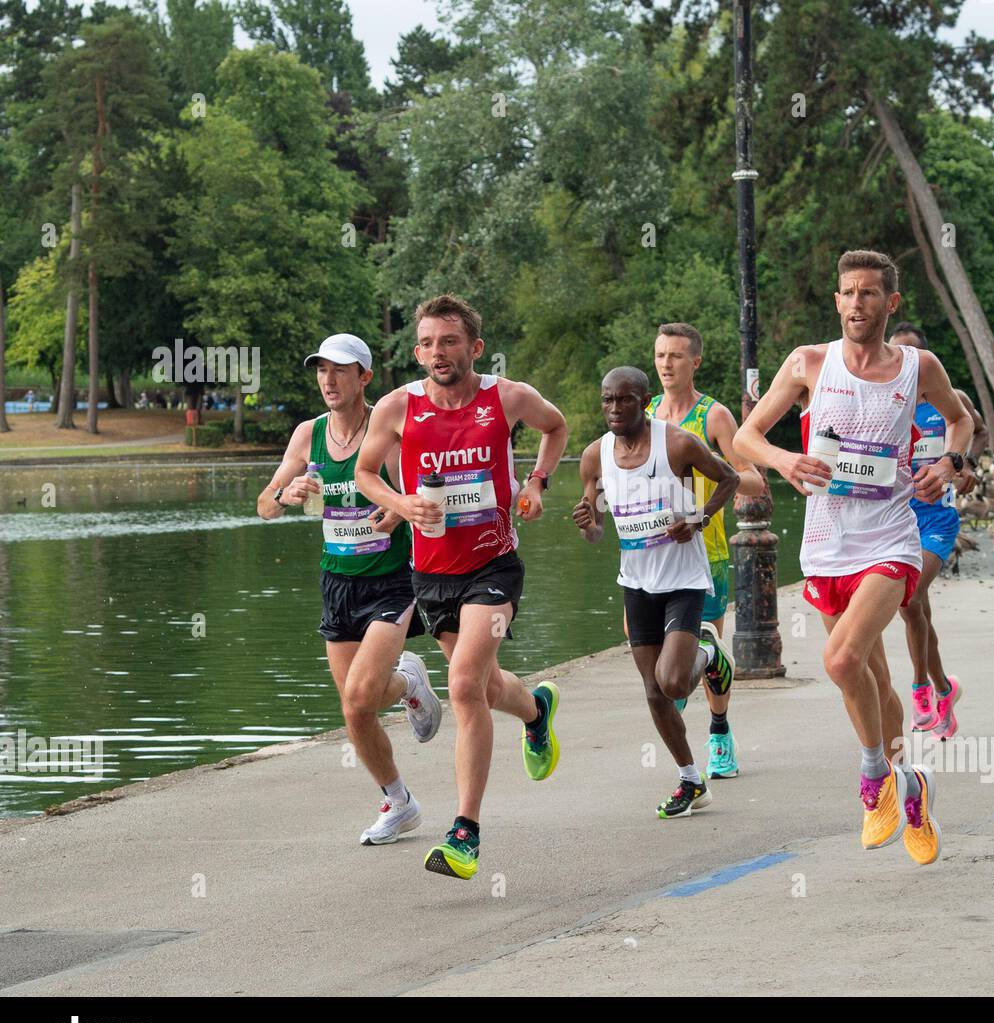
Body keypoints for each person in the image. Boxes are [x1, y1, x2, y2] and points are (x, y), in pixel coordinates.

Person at [733, 250, 972, 866]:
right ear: (836, 301)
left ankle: (872, 780)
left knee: (840, 661)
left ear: (890, 303)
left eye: (869, 293)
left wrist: (949, 463)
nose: (857, 303)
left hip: (891, 539)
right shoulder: (810, 362)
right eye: (847, 293)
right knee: (876, 683)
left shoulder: (918, 366)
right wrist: (785, 461)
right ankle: (909, 785)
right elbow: (745, 437)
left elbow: (960, 421)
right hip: (826, 547)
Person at [356, 294, 569, 881]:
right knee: (486, 685)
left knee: (462, 686)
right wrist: (400, 505)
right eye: (425, 343)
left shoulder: (507, 397)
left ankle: (464, 833)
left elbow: (556, 427)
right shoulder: (399, 407)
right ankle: (536, 710)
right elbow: (365, 473)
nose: (435, 353)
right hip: (433, 574)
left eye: (448, 341)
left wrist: (537, 484)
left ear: (474, 347)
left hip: (493, 567)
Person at [257, 333, 440, 846]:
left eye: (340, 370)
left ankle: (406, 684)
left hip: (393, 579)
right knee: (355, 710)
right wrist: (285, 493)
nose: (328, 380)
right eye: (321, 370)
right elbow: (263, 505)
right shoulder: (307, 435)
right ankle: (399, 801)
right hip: (337, 580)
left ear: (364, 377)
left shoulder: (390, 425)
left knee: (362, 693)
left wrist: (396, 507)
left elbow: (421, 489)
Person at [574, 367, 739, 817]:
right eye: (607, 400)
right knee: (655, 692)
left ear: (644, 401)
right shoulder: (596, 456)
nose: (613, 409)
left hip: (683, 580)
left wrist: (699, 519)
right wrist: (590, 526)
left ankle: (710, 653)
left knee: (673, 680)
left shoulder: (677, 443)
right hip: (636, 583)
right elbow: (597, 531)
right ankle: (691, 780)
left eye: (624, 400)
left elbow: (730, 478)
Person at [646, 323, 765, 778]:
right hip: (653, 555)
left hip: (704, 555)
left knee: (699, 654)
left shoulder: (712, 416)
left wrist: (708, 478)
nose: (666, 364)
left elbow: (751, 477)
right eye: (660, 355)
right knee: (661, 662)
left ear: (694, 361)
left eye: (675, 356)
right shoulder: (647, 412)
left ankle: (719, 734)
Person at [888, 322, 988, 740]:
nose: (901, 363)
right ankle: (944, 689)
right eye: (895, 354)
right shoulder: (886, 403)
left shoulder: (951, 401)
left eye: (910, 355)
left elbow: (977, 431)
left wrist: (966, 466)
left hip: (936, 520)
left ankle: (920, 689)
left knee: (909, 598)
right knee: (916, 607)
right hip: (895, 519)